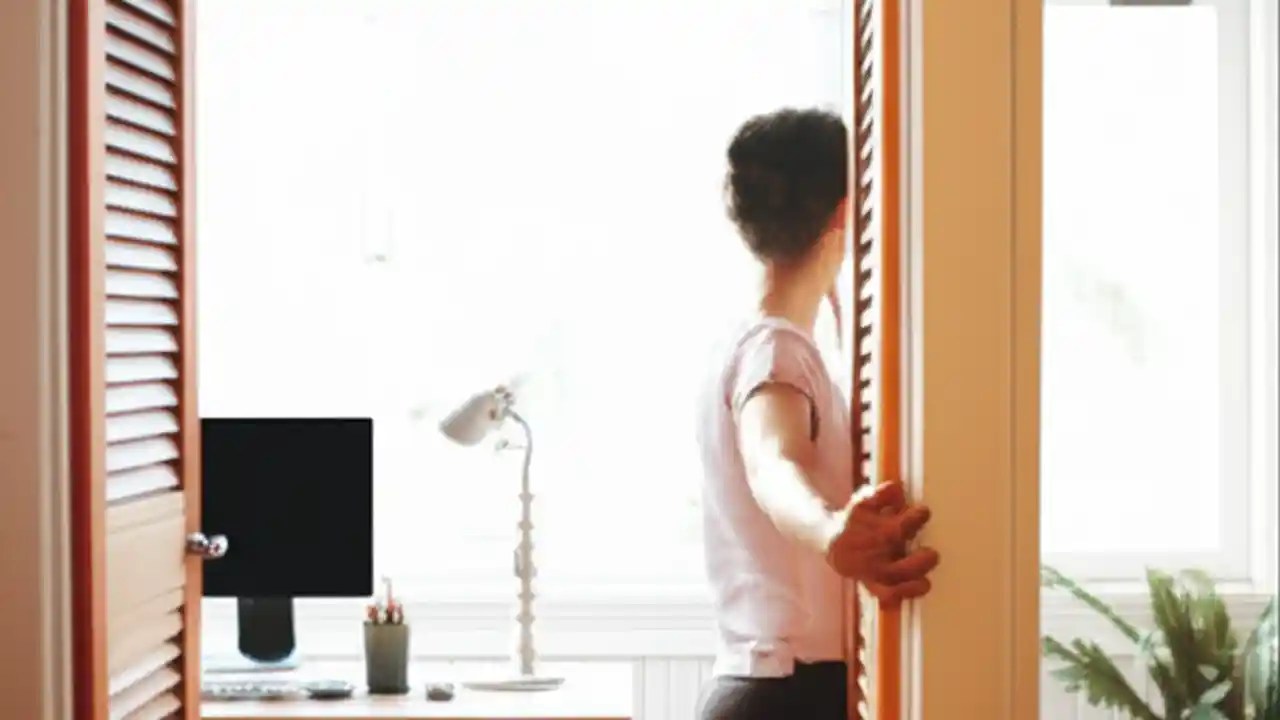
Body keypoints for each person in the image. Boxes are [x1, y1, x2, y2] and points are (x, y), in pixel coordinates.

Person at [695, 108, 940, 720]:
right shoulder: (775, 350)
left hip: (764, 691)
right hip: (787, 697)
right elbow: (772, 461)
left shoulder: (752, 344)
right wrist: (831, 531)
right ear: (845, 213)